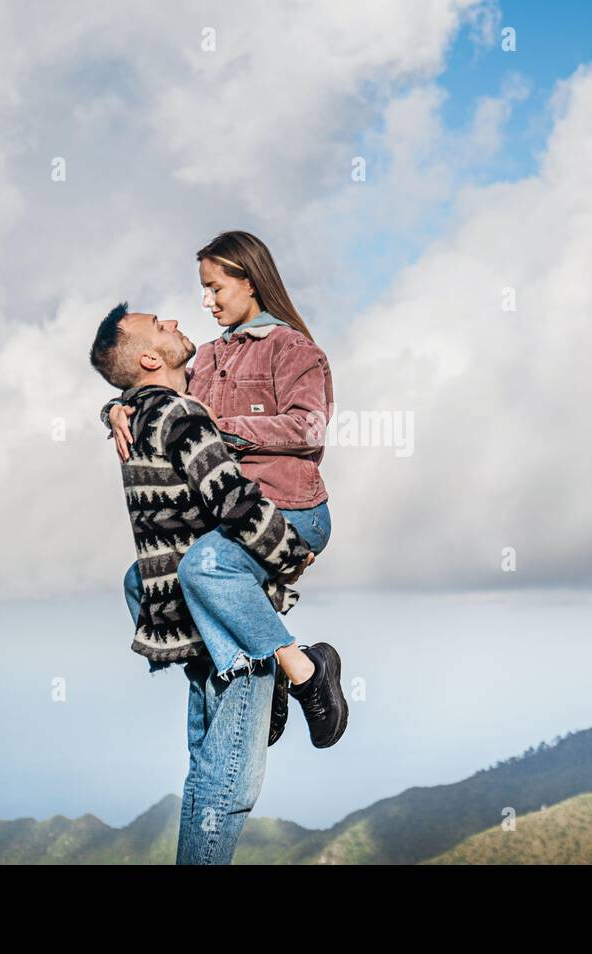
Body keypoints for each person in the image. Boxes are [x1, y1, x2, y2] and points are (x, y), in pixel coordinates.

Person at [89, 301, 344, 865]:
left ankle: (287, 668)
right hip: (228, 631)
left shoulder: (140, 414)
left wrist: (114, 404)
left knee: (204, 769)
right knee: (227, 782)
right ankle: (296, 665)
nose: (178, 320)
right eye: (160, 326)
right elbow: (235, 502)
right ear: (151, 356)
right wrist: (290, 552)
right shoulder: (179, 416)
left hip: (191, 621)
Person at [103, 231, 344, 753]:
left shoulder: (295, 350)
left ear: (250, 281)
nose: (206, 302)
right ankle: (266, 669)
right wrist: (115, 409)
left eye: (215, 289)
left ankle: (304, 673)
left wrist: (228, 425)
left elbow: (311, 429)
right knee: (141, 579)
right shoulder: (206, 359)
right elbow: (152, 390)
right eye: (203, 291)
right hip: (232, 518)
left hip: (293, 510)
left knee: (202, 567)